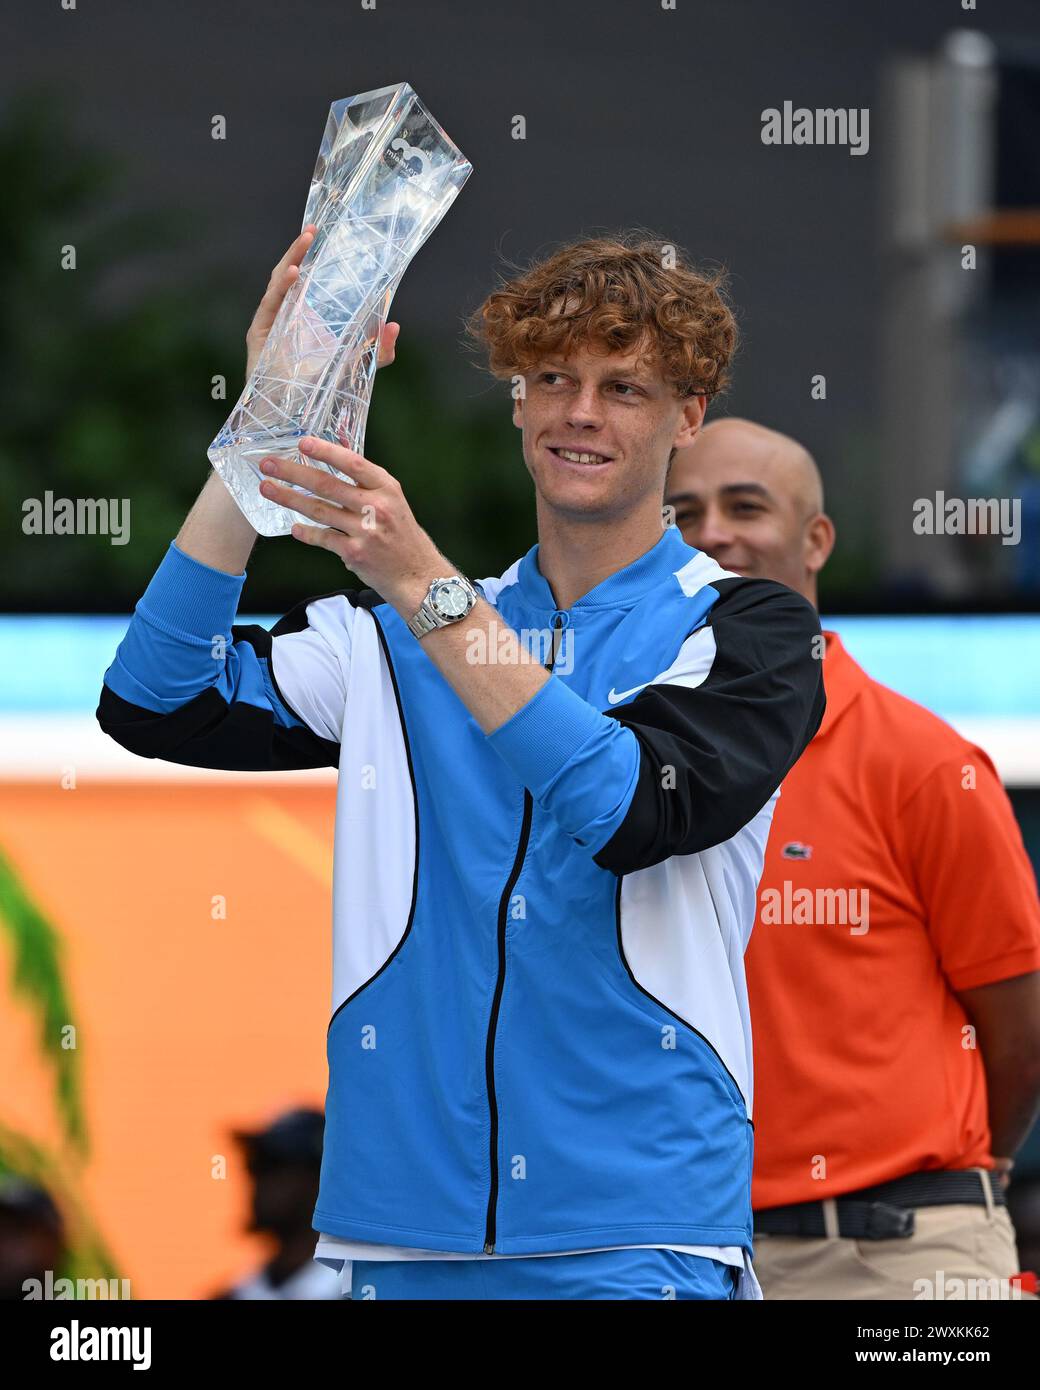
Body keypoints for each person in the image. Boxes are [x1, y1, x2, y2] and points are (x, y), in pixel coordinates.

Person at [96, 231, 825, 1301]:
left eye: (622, 386)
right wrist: (258, 437)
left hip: (630, 1232)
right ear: (516, 401)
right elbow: (154, 700)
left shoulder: (744, 625)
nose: (580, 412)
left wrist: (421, 579)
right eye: (550, 380)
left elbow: (623, 807)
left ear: (687, 416)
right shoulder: (386, 634)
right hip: (395, 1233)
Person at [666, 417, 1040, 1300]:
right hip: (689, 1257)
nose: (712, 531)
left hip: (901, 1260)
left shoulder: (919, 761)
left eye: (744, 506)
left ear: (816, 539)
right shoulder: (632, 758)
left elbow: (1019, 1031)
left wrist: (944, 1189)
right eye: (682, 513)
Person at [210, 1108, 341, 1300]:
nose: (258, 1182)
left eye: (273, 1166)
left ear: (320, 1179)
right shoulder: (231, 1295)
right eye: (254, 1169)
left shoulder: (370, 1291)